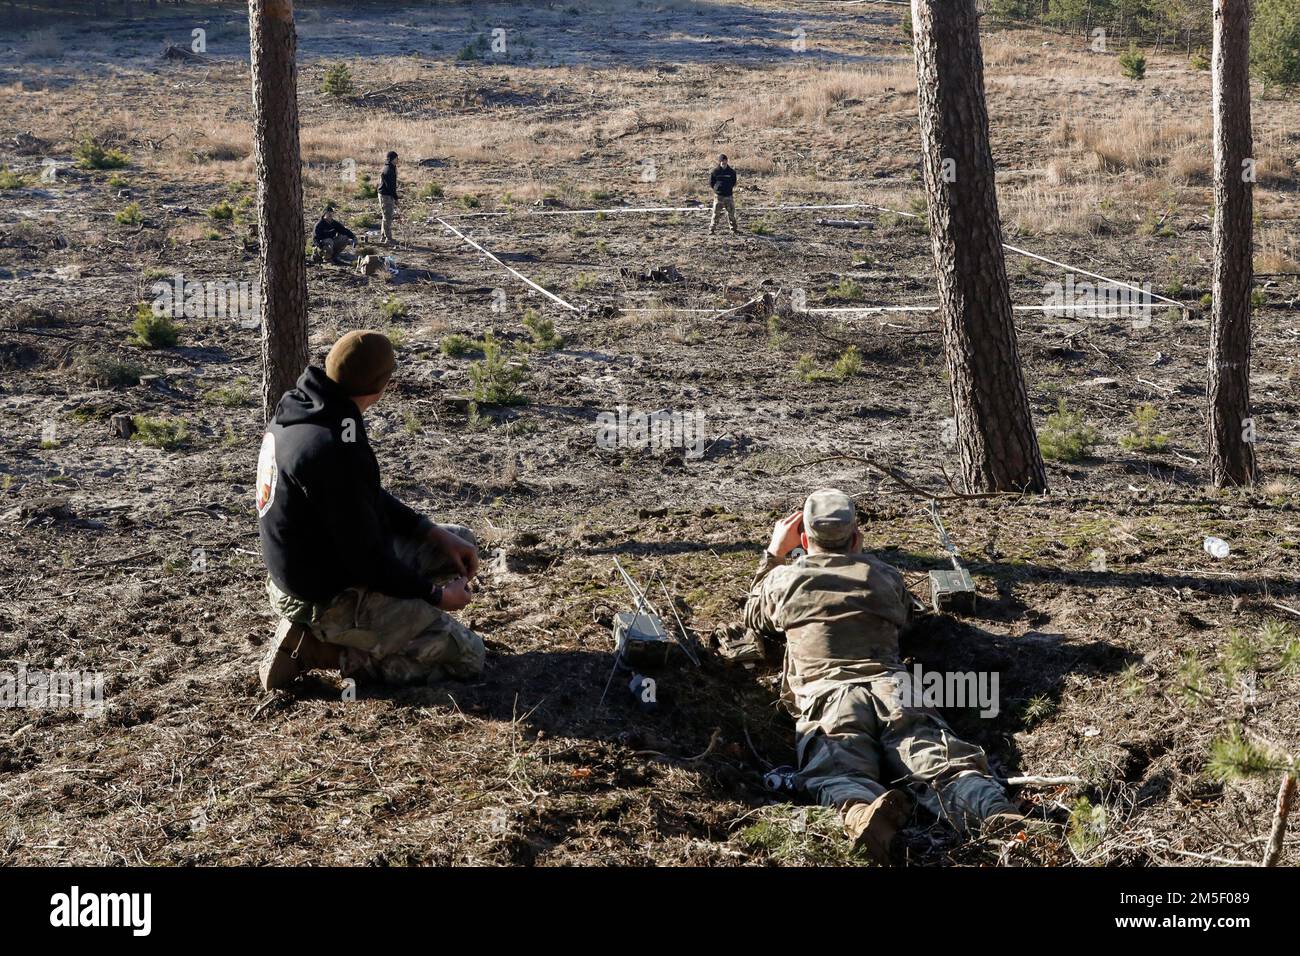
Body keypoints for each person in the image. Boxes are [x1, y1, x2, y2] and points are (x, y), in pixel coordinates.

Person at [719, 489, 1026, 862]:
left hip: (829, 695)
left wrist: (773, 554)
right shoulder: (883, 576)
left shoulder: (785, 580)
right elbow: (907, 619)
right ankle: (991, 810)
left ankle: (862, 813)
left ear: (803, 539)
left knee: (838, 770)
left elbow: (754, 614)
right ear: (856, 536)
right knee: (937, 758)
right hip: (895, 688)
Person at [255, 330, 484, 691]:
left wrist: (432, 531)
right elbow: (369, 562)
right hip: (325, 596)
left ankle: (381, 628)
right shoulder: (334, 448)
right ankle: (316, 650)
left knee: (458, 541)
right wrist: (437, 596)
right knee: (469, 657)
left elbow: (365, 498)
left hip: (312, 568)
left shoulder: (306, 408)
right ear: (382, 385)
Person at [708, 153, 739, 235]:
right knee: (716, 214)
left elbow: (734, 182)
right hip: (719, 197)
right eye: (722, 161)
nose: (723, 162)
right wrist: (717, 189)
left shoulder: (731, 172)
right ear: (719, 161)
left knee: (731, 213)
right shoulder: (715, 172)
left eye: (725, 161)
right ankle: (712, 229)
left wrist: (728, 188)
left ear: (727, 161)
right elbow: (711, 183)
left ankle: (734, 229)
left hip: (729, 196)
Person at [378, 150, 399, 245]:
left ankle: (383, 237)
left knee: (385, 216)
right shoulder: (388, 170)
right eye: (396, 158)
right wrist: (396, 198)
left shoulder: (391, 167)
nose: (397, 160)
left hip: (385, 194)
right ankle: (388, 239)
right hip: (386, 195)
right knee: (388, 217)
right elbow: (390, 186)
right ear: (391, 159)